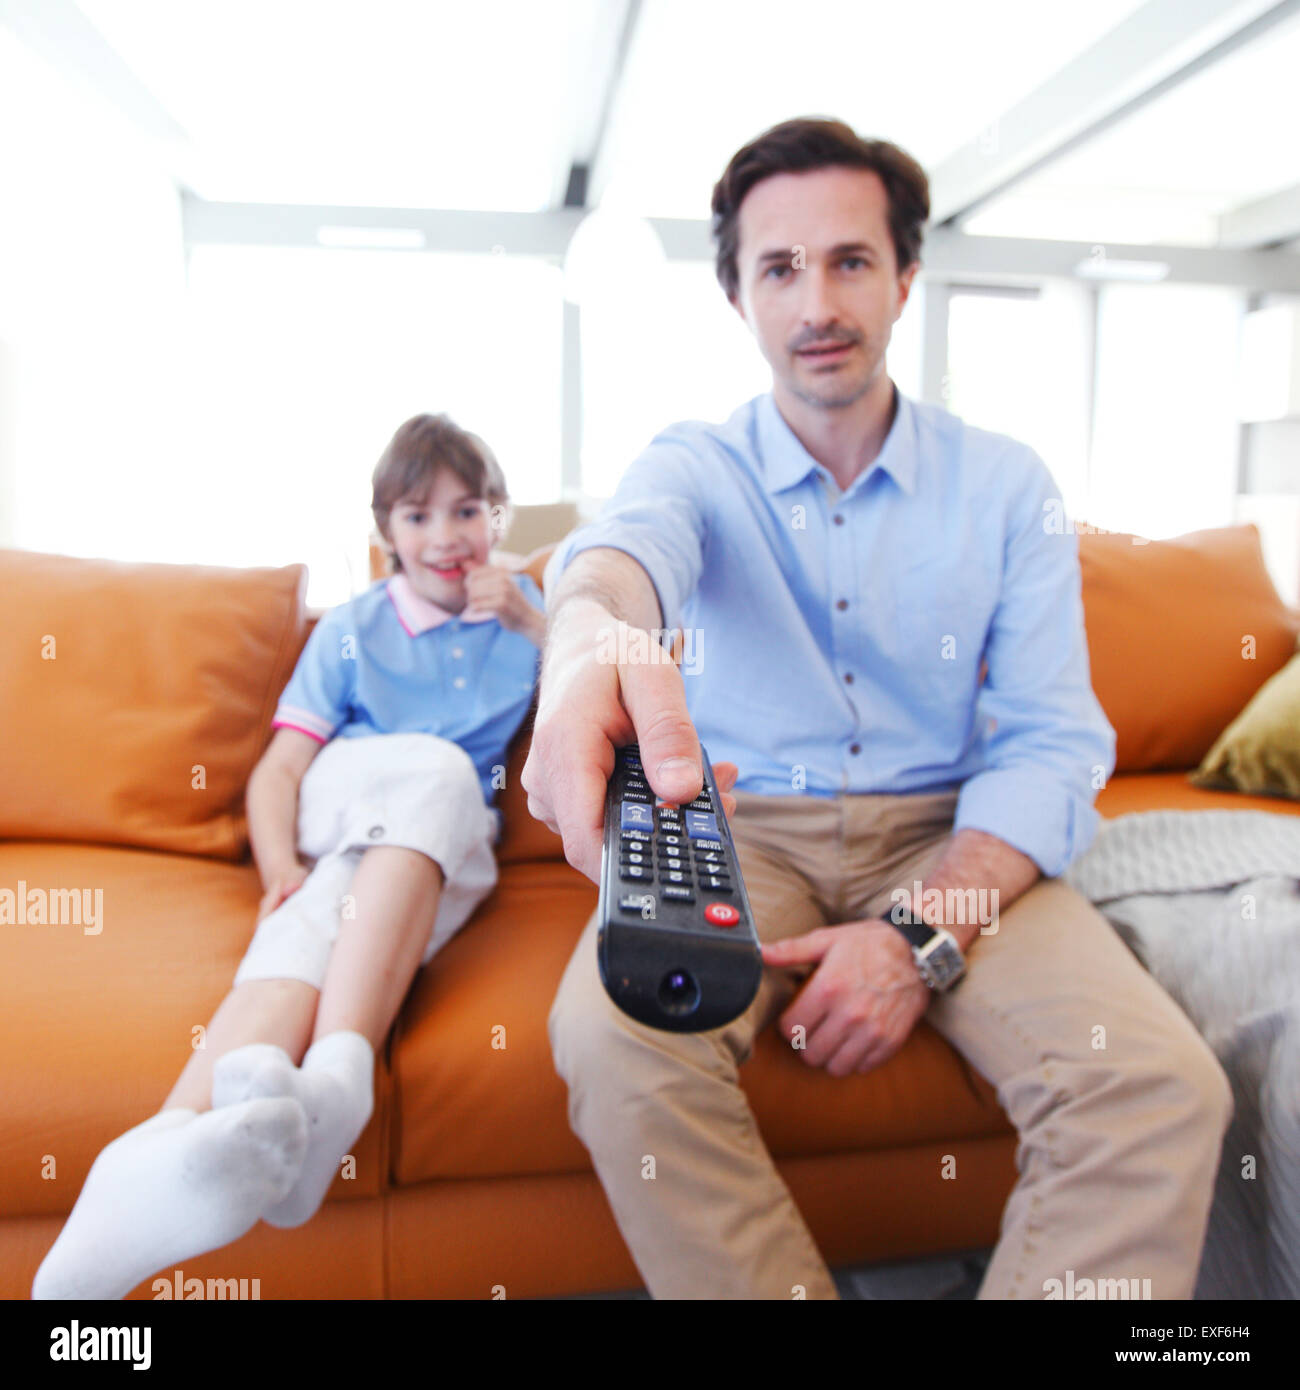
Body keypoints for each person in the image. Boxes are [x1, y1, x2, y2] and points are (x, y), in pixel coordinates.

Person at [523, 117, 1233, 1300]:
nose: (818, 304)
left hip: (947, 831)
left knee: (1159, 1085)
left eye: (850, 261)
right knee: (613, 1035)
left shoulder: (1005, 485)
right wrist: (593, 624)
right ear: (737, 294)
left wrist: (916, 934)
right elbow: (615, 554)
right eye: (779, 268)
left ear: (906, 277)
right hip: (747, 835)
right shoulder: (698, 465)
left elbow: (1053, 739)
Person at [33, 413, 546, 1299]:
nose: (447, 537)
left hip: (438, 849)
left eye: (469, 512)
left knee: (319, 935)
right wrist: (279, 872)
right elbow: (280, 773)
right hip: (344, 795)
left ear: (498, 522)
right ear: (386, 535)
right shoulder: (352, 629)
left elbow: (650, 681)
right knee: (430, 775)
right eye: (419, 516)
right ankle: (343, 1071)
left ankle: (155, 1161)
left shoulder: (531, 624)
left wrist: (540, 628)